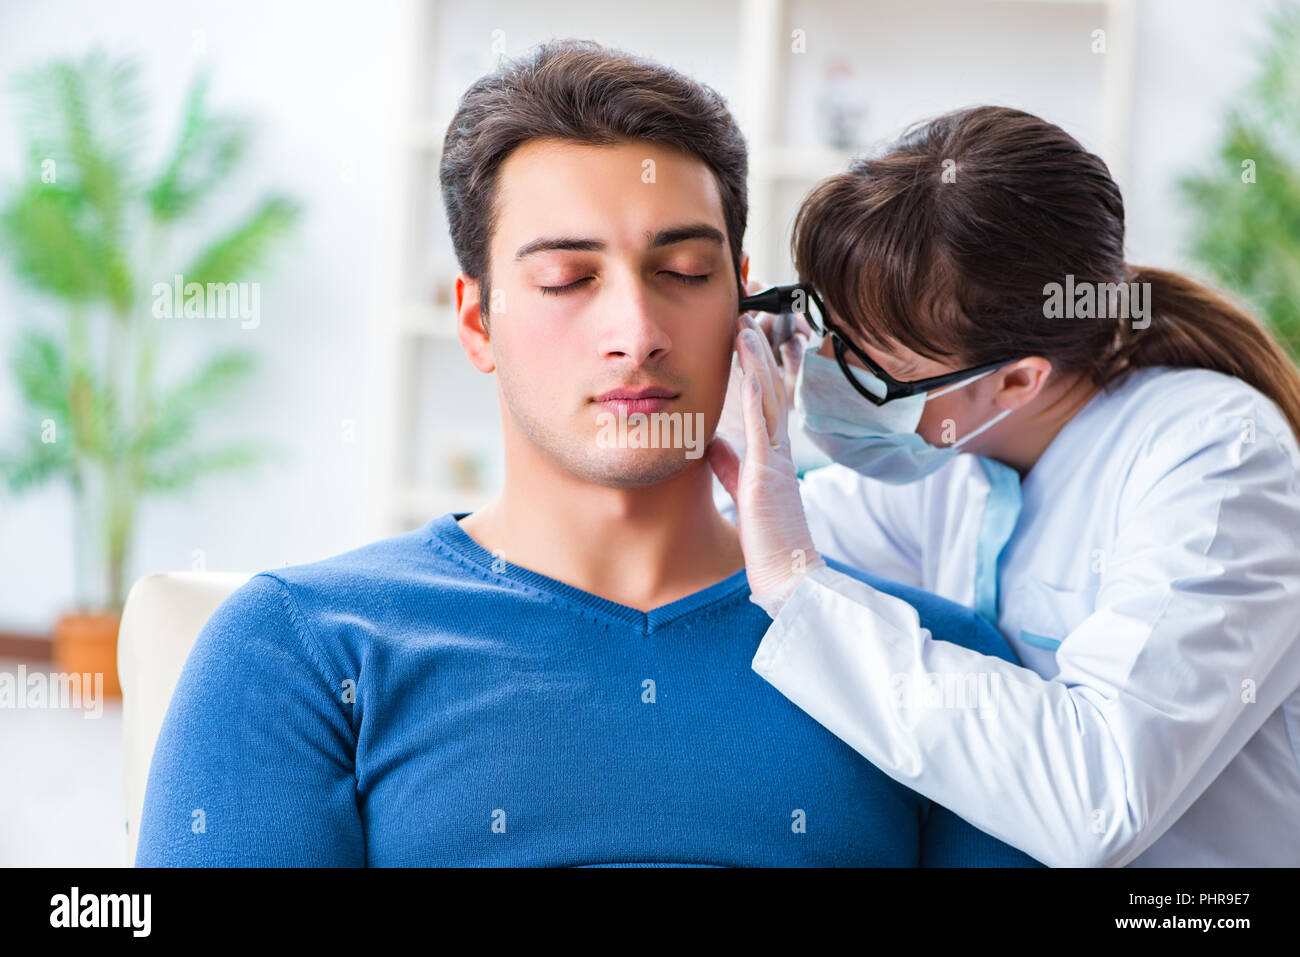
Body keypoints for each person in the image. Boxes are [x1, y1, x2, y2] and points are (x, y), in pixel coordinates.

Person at [134, 42, 1043, 867]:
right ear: (478, 320)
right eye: (568, 279)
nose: (637, 332)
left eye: (684, 273)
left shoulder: (932, 661)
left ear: (745, 305)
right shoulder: (299, 649)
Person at [709, 105, 1300, 868]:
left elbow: (1097, 796)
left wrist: (796, 582)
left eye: (868, 360)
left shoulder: (1215, 456)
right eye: (823, 320)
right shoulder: (950, 458)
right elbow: (732, 543)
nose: (819, 364)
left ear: (1017, 379)